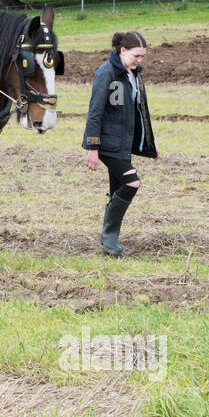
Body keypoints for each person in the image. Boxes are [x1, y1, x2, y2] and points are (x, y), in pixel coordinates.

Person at [82, 31, 158, 257]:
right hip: (108, 145)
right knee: (132, 183)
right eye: (136, 56)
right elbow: (95, 112)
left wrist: (150, 145)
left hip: (122, 144)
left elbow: (138, 112)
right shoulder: (106, 73)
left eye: (143, 57)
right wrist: (93, 148)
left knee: (116, 190)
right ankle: (109, 237)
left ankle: (109, 243)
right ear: (122, 51)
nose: (140, 61)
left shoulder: (133, 75)